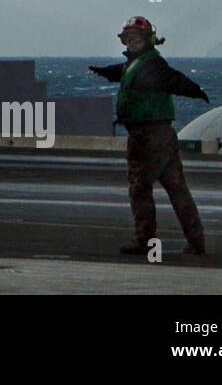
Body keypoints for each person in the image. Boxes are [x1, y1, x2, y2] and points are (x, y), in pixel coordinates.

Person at [89, 16, 210, 256]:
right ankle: (196, 241)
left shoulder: (151, 65)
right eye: (127, 38)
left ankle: (145, 240)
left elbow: (174, 80)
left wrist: (194, 90)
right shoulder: (136, 64)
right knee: (177, 188)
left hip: (147, 137)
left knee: (140, 188)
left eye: (135, 37)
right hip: (162, 135)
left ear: (148, 40)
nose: (131, 41)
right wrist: (103, 71)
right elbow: (122, 73)